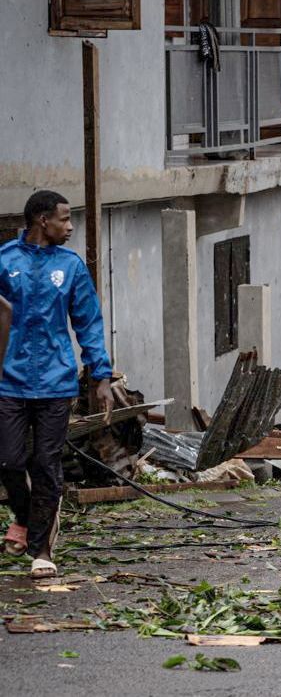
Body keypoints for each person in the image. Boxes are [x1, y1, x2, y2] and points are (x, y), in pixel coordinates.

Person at [0, 190, 114, 579]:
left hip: (56, 382)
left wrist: (101, 376)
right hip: (9, 381)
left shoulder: (71, 266)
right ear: (42, 220)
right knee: (9, 462)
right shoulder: (5, 260)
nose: (70, 227)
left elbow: (89, 322)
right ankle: (24, 519)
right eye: (64, 219)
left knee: (46, 465)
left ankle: (41, 550)